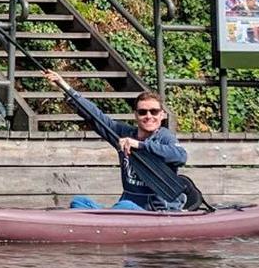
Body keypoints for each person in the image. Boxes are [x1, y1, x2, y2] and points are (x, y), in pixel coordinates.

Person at [43, 70, 188, 210]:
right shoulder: (124, 134)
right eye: (143, 112)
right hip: (127, 205)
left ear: (162, 115)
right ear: (136, 115)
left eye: (154, 112)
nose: (148, 116)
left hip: (155, 208)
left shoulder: (165, 137)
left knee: (124, 207)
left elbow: (180, 156)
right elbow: (96, 117)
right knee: (79, 202)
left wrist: (140, 145)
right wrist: (64, 86)